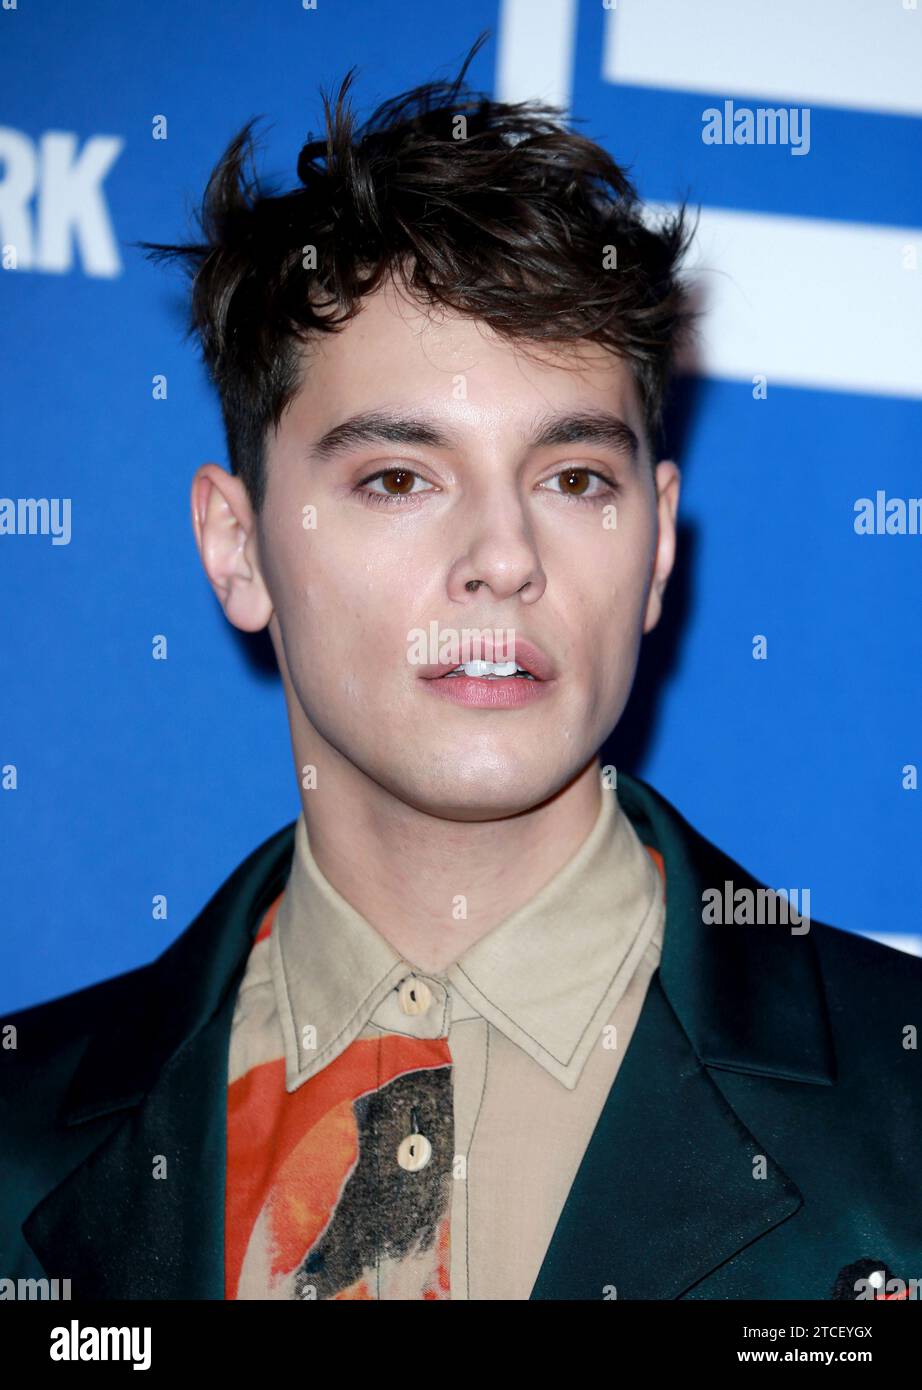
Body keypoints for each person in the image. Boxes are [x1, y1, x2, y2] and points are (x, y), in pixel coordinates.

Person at [2, 34, 920, 1303]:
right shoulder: (21, 1136)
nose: (503, 556)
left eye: (573, 478)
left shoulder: (904, 1105)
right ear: (236, 546)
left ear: (654, 543)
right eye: (396, 477)